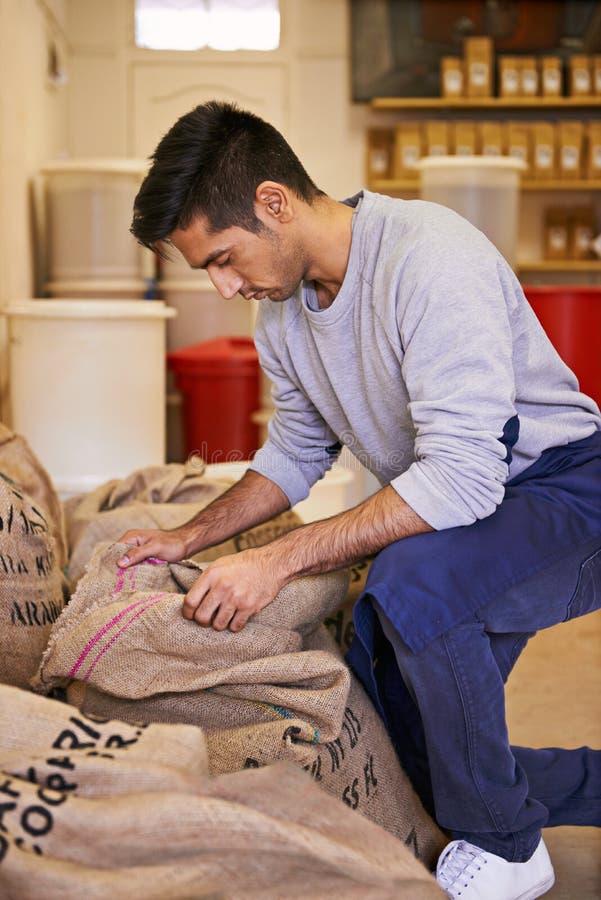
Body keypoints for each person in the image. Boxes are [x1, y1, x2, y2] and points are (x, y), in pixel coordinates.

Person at [117, 100, 601, 900]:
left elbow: (461, 477)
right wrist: (187, 536)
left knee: (412, 587)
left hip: (568, 493)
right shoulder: (283, 312)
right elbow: (298, 451)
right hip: (472, 510)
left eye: (225, 257)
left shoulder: (426, 258)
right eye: (205, 268)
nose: (223, 285)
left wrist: (273, 562)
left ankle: (510, 847)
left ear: (274, 202)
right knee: (398, 731)